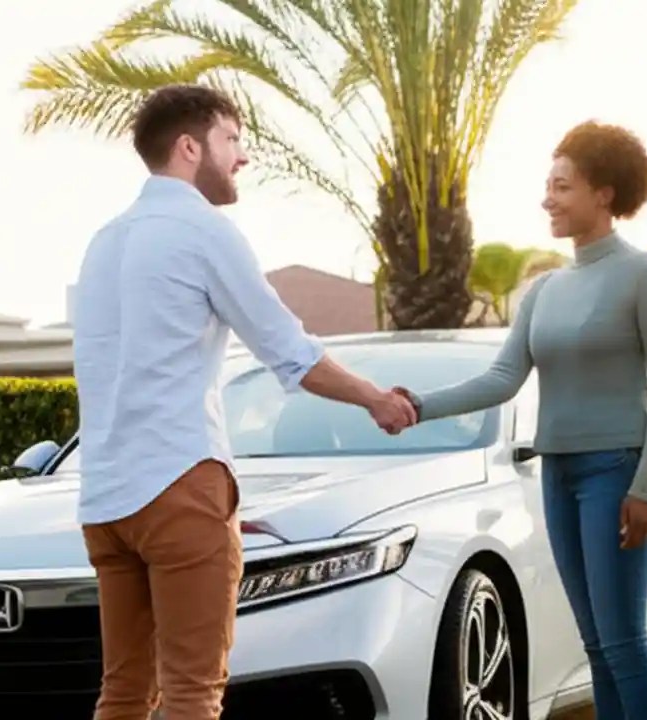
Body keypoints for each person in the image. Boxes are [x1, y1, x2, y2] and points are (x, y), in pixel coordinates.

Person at [70, 83, 416, 720]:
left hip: (105, 499)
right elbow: (291, 352)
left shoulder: (103, 243)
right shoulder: (203, 230)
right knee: (192, 695)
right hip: (179, 482)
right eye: (232, 139)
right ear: (188, 147)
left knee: (122, 694)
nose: (243, 156)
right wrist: (375, 399)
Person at [395, 120, 647, 720]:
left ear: (604, 194)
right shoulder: (544, 289)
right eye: (548, 186)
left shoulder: (645, 275)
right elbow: (501, 379)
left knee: (626, 644)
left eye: (562, 186)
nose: (547, 198)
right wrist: (416, 407)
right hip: (559, 474)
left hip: (616, 472)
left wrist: (645, 487)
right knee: (597, 647)